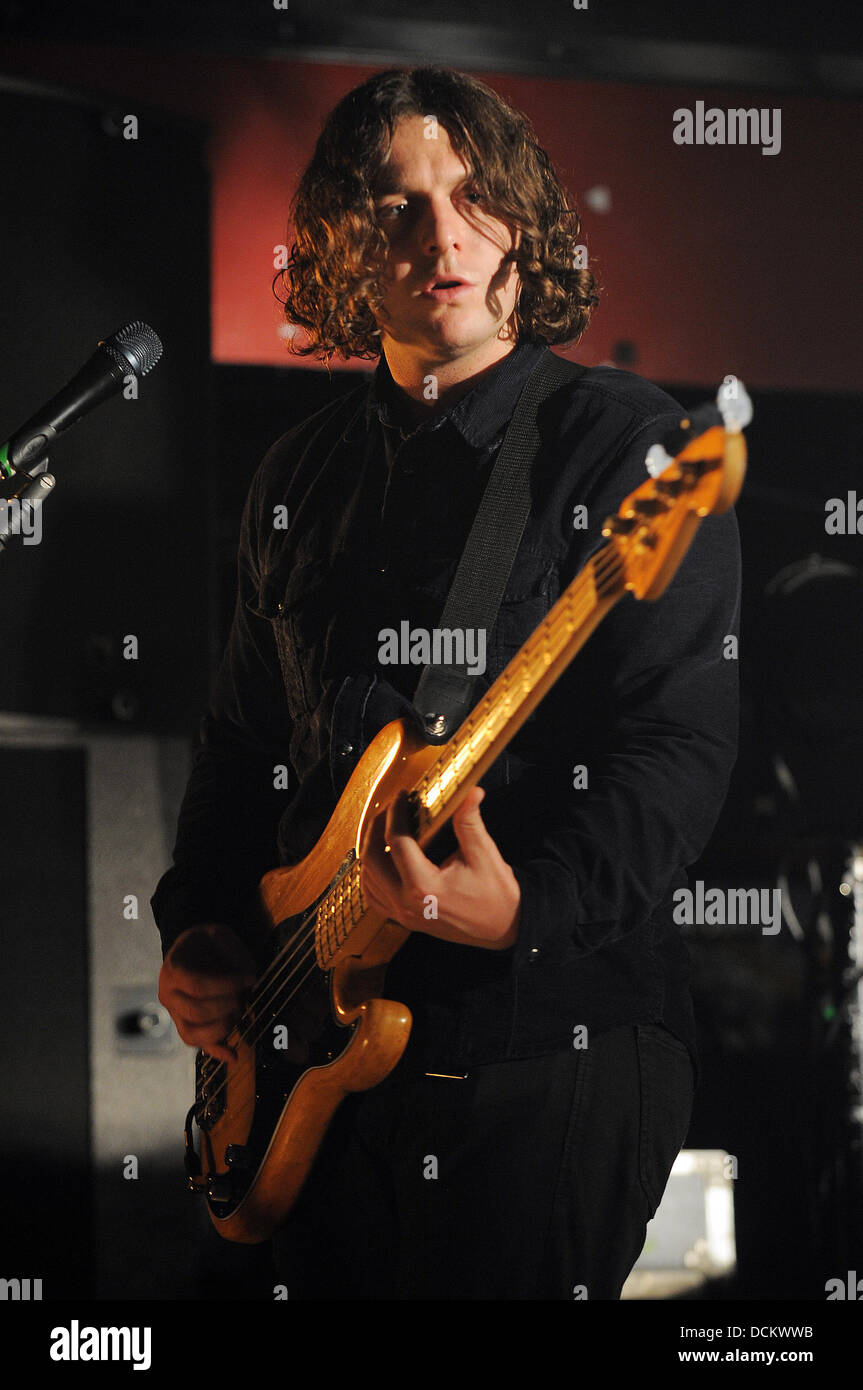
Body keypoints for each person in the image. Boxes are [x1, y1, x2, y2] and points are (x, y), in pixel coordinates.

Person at [153, 65, 741, 1300]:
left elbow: (672, 753)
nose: (441, 234)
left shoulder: (619, 445)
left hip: (539, 1043)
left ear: (524, 219)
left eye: (474, 197)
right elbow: (238, 739)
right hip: (304, 1053)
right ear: (335, 242)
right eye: (394, 202)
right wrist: (200, 923)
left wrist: (529, 905)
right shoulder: (296, 475)